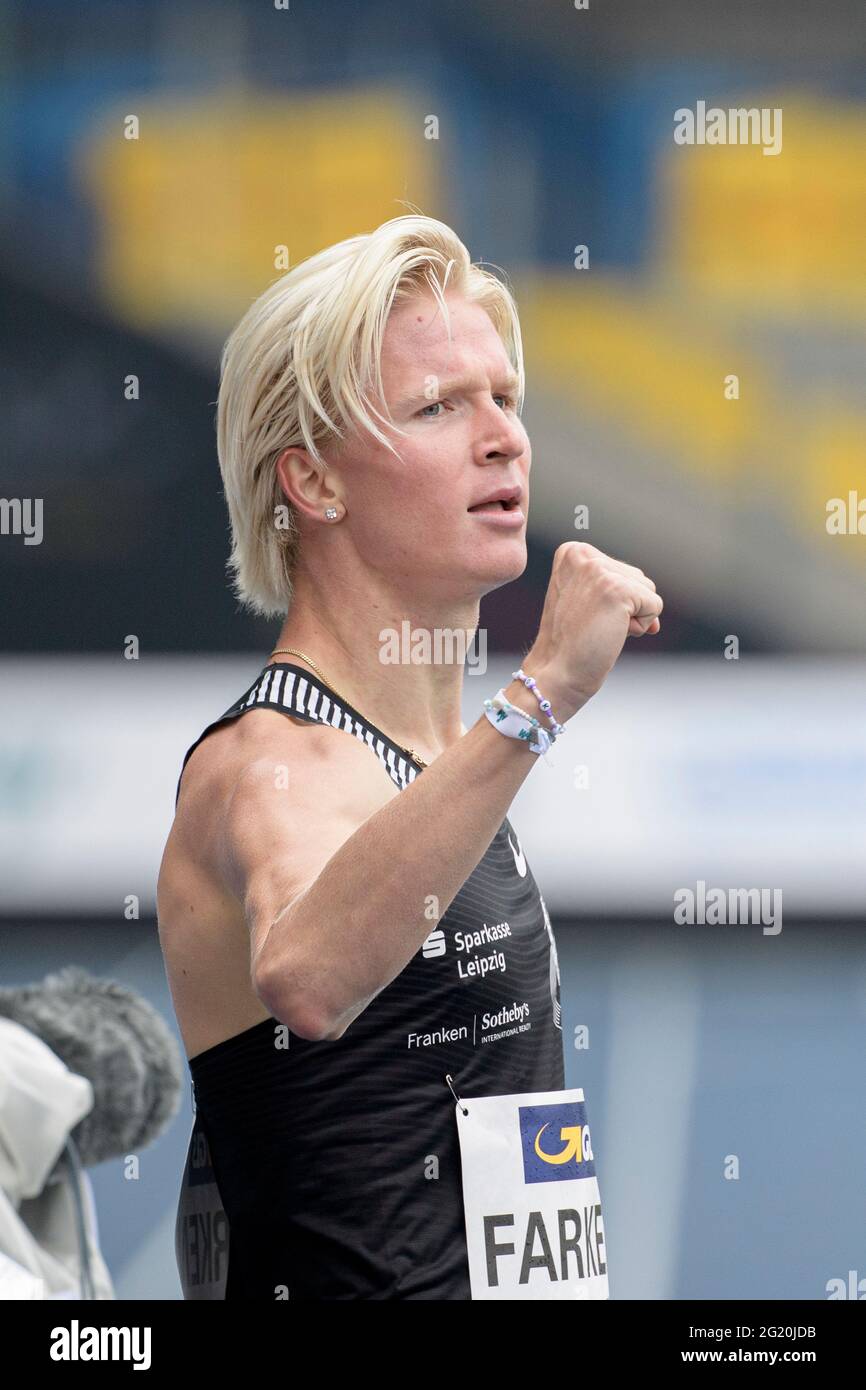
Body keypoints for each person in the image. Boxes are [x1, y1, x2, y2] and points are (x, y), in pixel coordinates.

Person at [157, 213, 663, 1301]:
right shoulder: (269, 758)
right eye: (437, 407)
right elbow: (304, 977)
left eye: (504, 399)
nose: (503, 438)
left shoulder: (435, 767)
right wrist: (540, 696)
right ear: (315, 483)